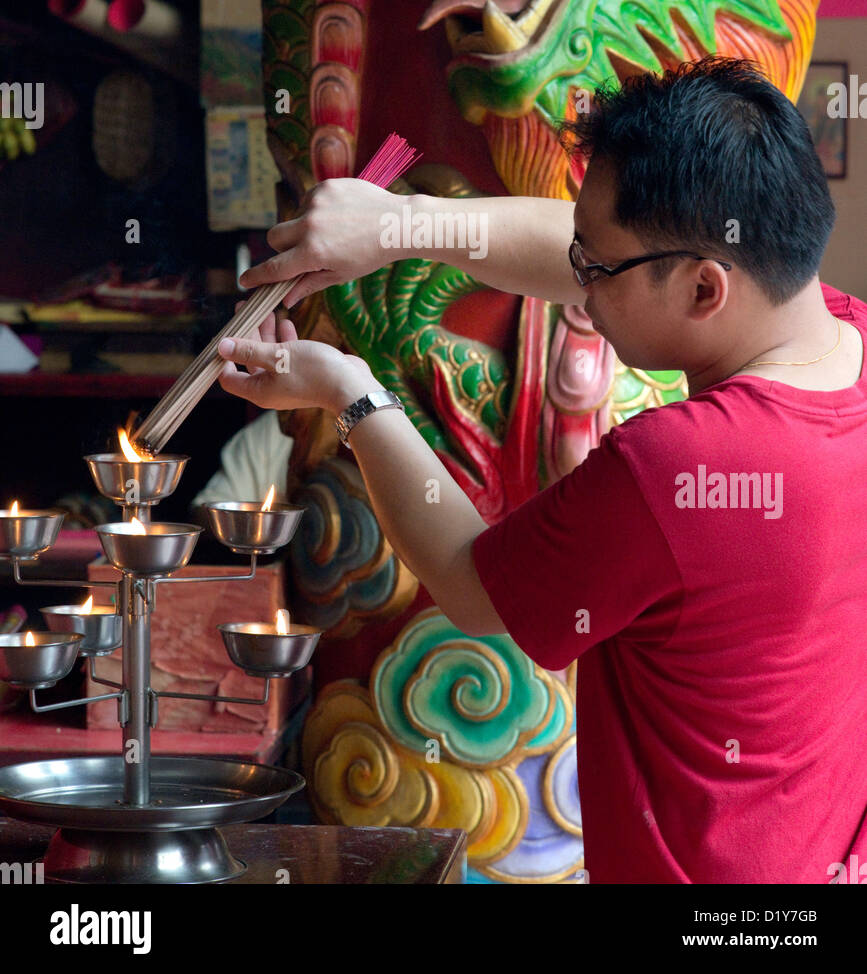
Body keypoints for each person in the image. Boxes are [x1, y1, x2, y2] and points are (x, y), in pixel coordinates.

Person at [216, 58, 867, 885]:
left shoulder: (681, 465)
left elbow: (471, 587)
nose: (578, 293)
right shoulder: (839, 338)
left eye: (594, 272)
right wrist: (397, 228)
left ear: (706, 288)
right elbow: (614, 259)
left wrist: (349, 392)